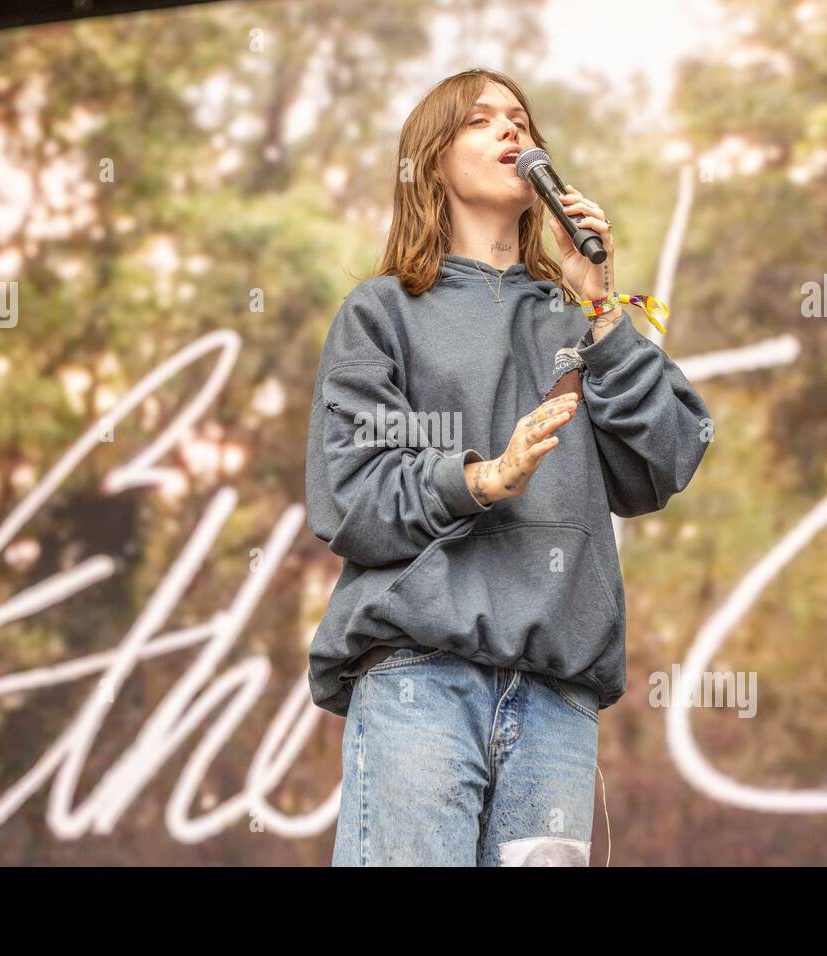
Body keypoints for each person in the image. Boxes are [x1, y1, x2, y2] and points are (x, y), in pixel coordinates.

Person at [304, 68, 712, 866]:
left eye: (521, 120)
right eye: (482, 119)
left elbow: (663, 461)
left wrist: (601, 304)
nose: (512, 131)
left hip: (557, 698)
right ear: (429, 160)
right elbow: (349, 495)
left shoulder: (581, 316)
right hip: (420, 676)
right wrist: (479, 480)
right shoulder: (383, 312)